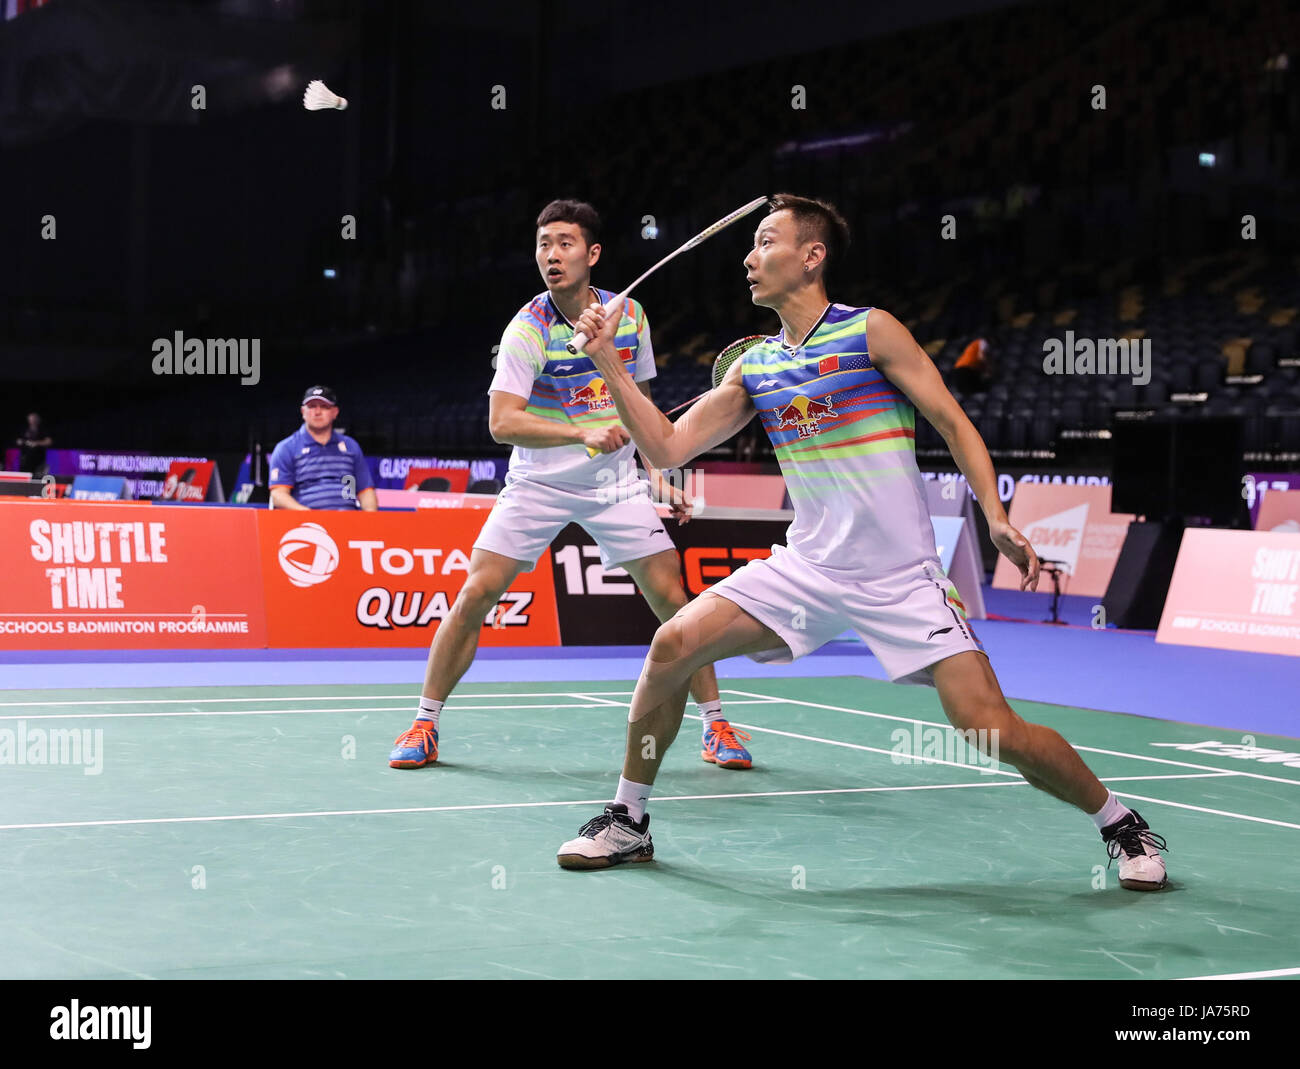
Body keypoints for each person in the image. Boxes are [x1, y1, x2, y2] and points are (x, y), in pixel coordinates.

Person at [555, 193, 1169, 893]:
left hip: (902, 575)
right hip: (809, 567)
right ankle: (628, 818)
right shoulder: (754, 367)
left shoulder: (870, 332)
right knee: (673, 645)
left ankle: (1121, 822)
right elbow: (664, 447)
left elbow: (952, 419)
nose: (749, 258)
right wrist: (608, 360)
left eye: (764, 242)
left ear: (811, 256)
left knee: (987, 725)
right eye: (750, 247)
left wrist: (995, 514)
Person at [387, 199, 752, 773]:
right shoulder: (527, 327)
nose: (551, 255)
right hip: (538, 483)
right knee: (476, 594)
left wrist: (659, 473)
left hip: (616, 484)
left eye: (564, 243)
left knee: (676, 603)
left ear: (593, 253)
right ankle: (424, 723)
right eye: (543, 245)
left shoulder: (630, 317)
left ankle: (717, 725)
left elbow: (643, 408)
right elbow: (501, 421)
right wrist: (579, 431)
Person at [267, 386, 378, 511]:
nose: (317, 412)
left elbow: (366, 492)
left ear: (335, 412)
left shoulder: (351, 446)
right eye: (312, 406)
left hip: (348, 521)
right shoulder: (286, 448)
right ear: (303, 412)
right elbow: (278, 495)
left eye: (324, 407)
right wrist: (310, 515)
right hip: (307, 523)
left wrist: (370, 521)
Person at [16, 412, 52, 478]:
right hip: (26, 458)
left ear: (38, 420)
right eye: (31, 419)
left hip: (39, 459)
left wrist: (36, 443)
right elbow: (18, 440)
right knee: (25, 476)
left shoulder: (42, 429)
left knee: (38, 477)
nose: (32, 421)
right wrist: (21, 442)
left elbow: (49, 441)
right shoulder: (25, 429)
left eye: (34, 419)